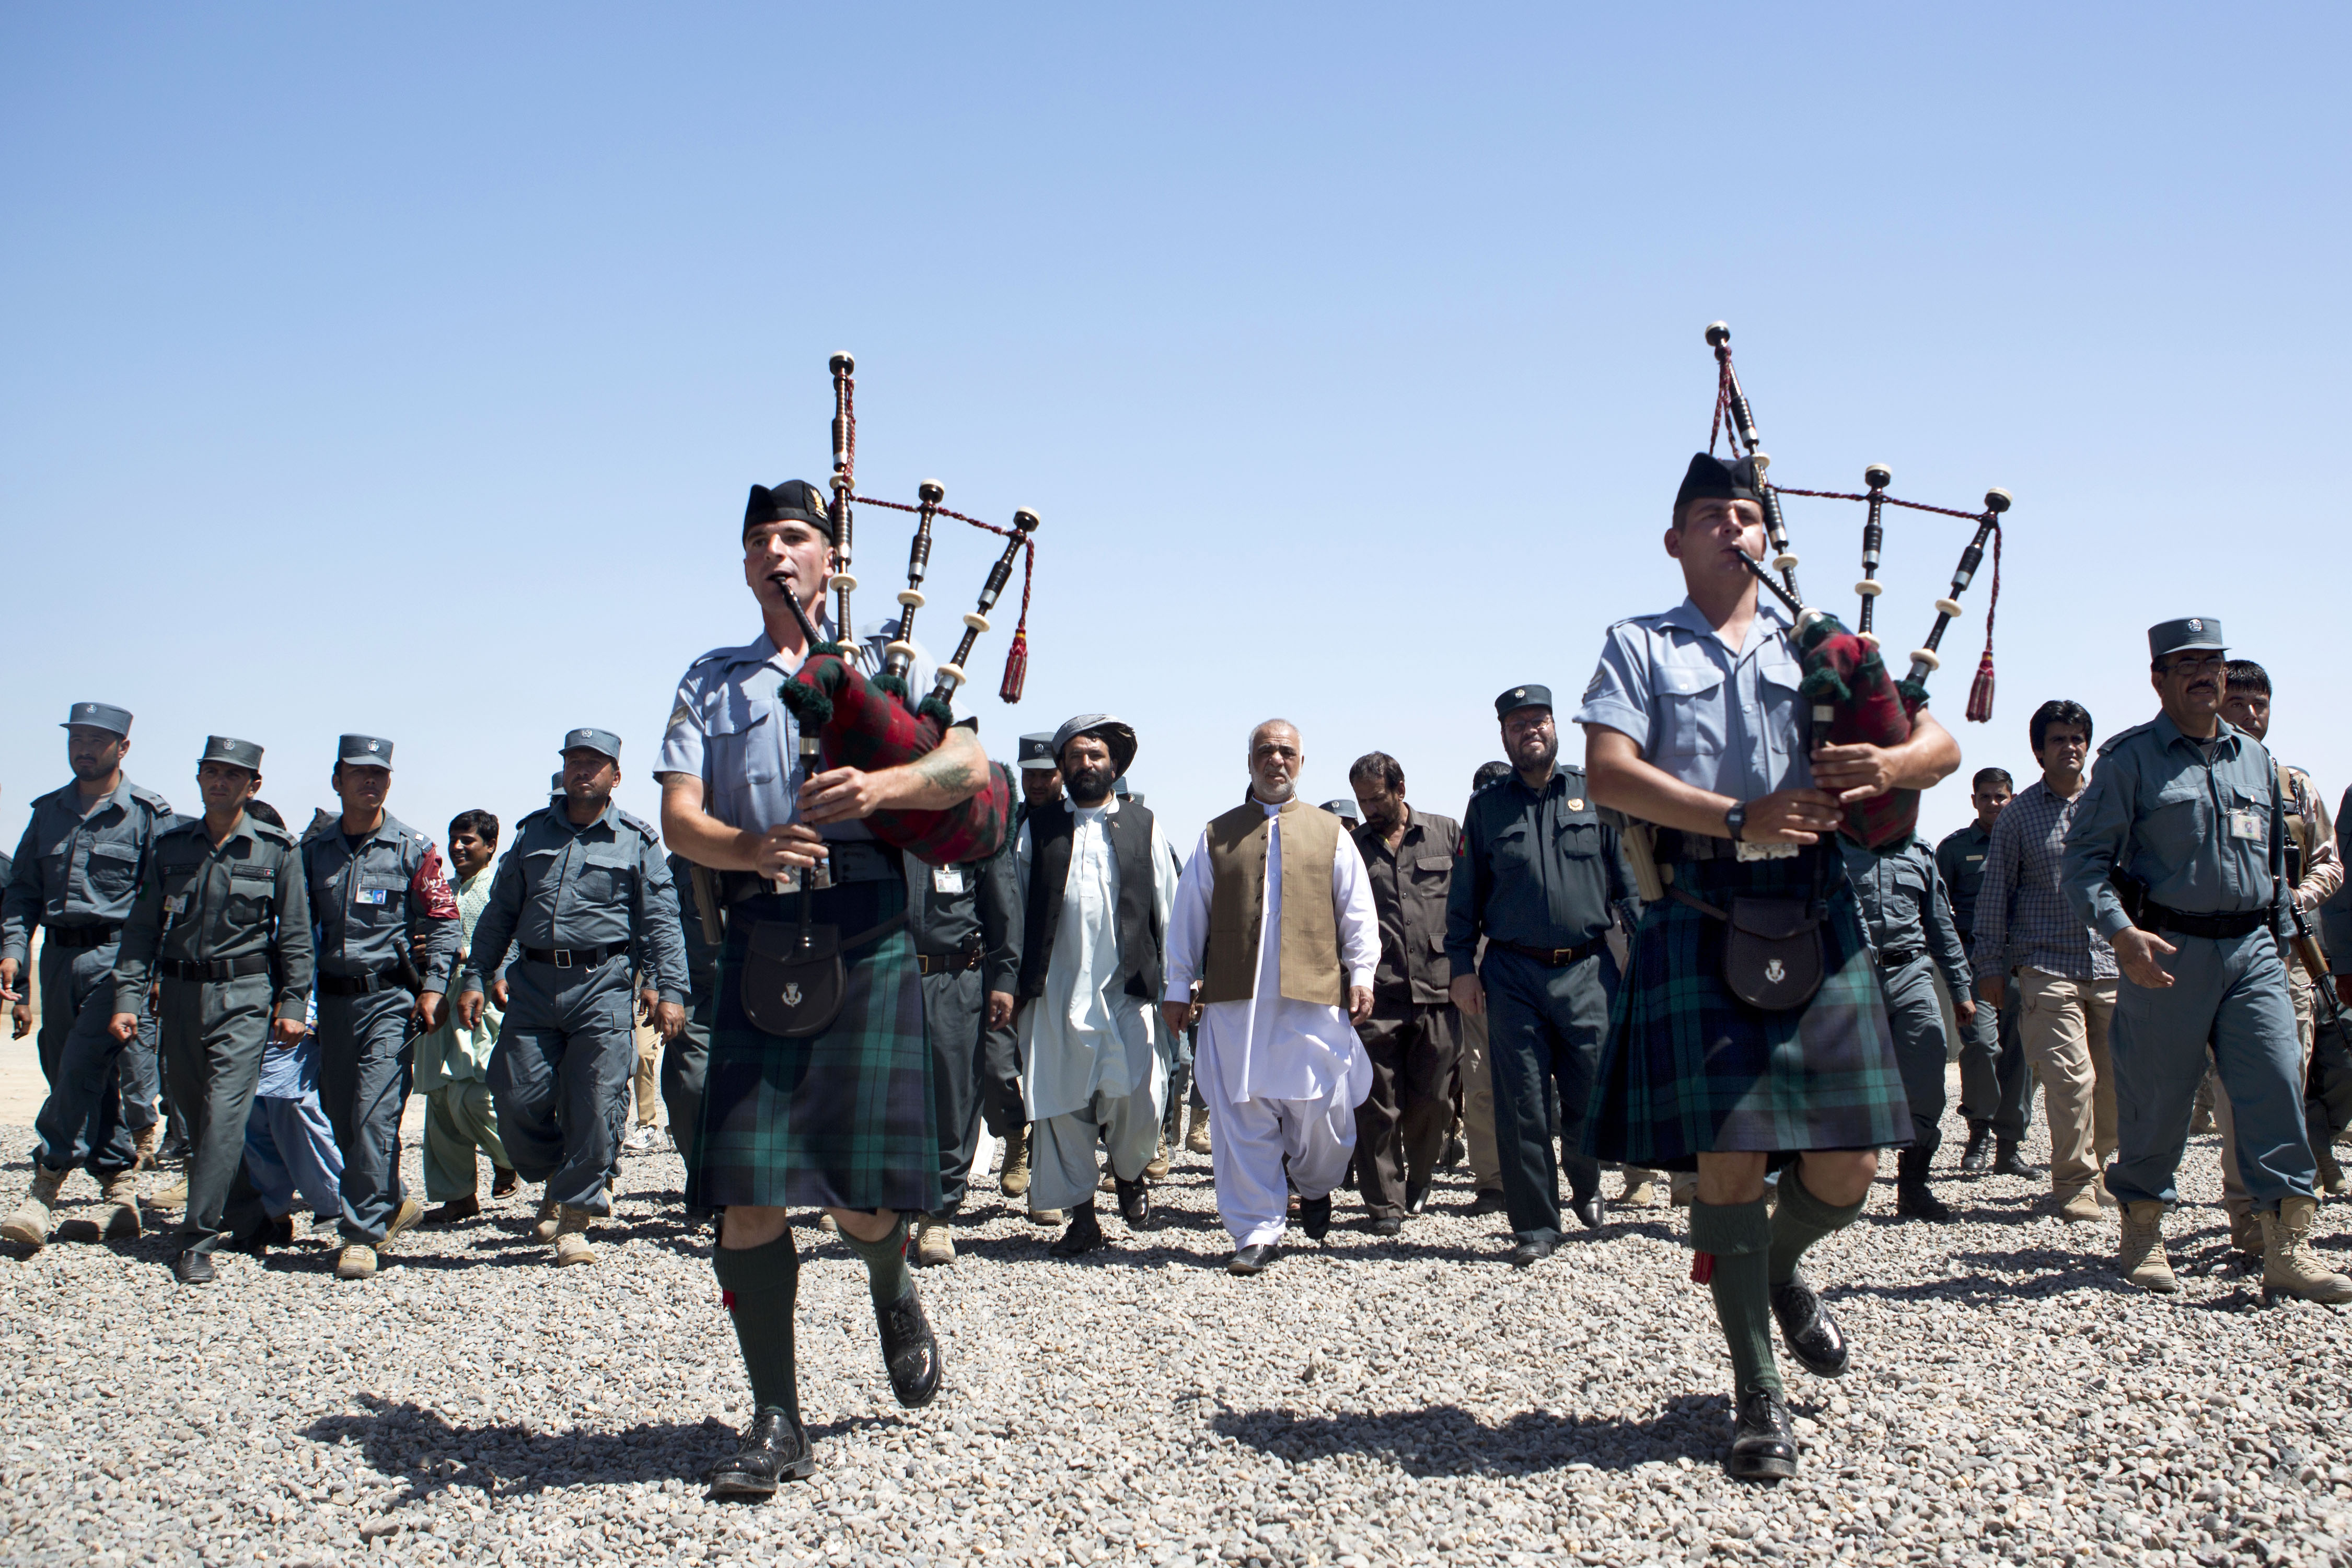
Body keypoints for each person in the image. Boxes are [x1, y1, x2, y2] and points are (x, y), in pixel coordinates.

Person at [1578, 452, 1957, 1482]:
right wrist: (1737, 814)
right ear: (1676, 539)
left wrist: (1886, 765)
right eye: (1712, 515)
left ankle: (1779, 1268)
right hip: (1698, 909)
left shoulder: (1826, 640)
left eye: (1748, 514)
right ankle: (1757, 1397)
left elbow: (1939, 747)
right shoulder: (1639, 645)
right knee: (1730, 1164)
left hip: (1816, 908)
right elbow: (1606, 770)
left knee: (1851, 1165)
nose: (1734, 528)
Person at [659, 477, 993, 1493]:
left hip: (870, 926)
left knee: (860, 1203)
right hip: (764, 928)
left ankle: (891, 1286)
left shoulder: (887, 664)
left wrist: (886, 785)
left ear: (831, 558)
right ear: (747, 562)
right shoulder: (712, 680)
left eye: (796, 535)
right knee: (749, 1191)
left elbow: (972, 763)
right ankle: (777, 1418)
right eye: (762, 538)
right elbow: (679, 816)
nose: (777, 551)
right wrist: (747, 843)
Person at [2059, 618, 2348, 1303]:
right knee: (2156, 1101)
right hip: (2166, 953)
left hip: (2254, 952)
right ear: (2157, 678)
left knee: (2278, 1088)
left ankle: (2286, 1247)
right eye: (2185, 664)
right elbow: (2085, 866)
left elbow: (2280, 862)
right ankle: (2145, 1232)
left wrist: (2285, 934)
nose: (2203, 675)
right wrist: (2121, 936)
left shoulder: (2257, 761)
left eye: (2212, 663)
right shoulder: (2128, 762)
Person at [456, 729, 687, 1266]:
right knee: (514, 1092)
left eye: (594, 763)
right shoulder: (532, 833)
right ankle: (560, 1171)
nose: (581, 770)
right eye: (573, 761)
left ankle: (576, 1214)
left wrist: (670, 988)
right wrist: (475, 974)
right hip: (533, 985)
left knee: (596, 1099)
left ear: (615, 776)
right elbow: (498, 915)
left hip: (604, 984)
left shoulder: (636, 839)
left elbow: (661, 922)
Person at [1162, 718, 1378, 1275]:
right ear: (1250, 761)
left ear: (1301, 763)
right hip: (1236, 1003)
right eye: (1266, 751)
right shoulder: (1217, 833)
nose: (1276, 760)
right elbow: (1189, 916)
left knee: (1322, 1114)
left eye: (1286, 752)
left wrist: (1361, 975)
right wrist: (1176, 986)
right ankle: (1256, 1229)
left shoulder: (1332, 832)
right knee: (1241, 1112)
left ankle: (1314, 1182)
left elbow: (1357, 913)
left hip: (1312, 1000)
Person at [100, 737, 311, 1284]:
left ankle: (197, 1238)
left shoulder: (275, 850)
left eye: (232, 775)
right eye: (211, 772)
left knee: (224, 1116)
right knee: (197, 1119)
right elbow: (141, 931)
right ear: (198, 777)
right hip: (179, 999)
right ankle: (252, 1216)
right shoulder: (171, 847)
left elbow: (293, 937)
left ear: (253, 786)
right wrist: (128, 998)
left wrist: (293, 1003)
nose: (219, 782)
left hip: (244, 1000)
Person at [1447, 690, 1643, 1265]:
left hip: (1587, 968)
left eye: (1538, 720)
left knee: (1589, 1090)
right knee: (1522, 1102)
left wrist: (1646, 950)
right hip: (1511, 972)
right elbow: (1464, 899)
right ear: (1504, 737)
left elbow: (1627, 883)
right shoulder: (1486, 809)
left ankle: (1585, 1184)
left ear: (1555, 727)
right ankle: (1535, 1223)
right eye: (1516, 724)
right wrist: (1462, 968)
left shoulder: (1594, 793)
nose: (1529, 730)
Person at [2, 703, 176, 1249]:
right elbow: (23, 893)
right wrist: (12, 952)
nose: (84, 748)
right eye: (76, 737)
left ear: (123, 747)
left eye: (97, 740)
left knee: (80, 1063)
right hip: (56, 957)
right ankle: (119, 1189)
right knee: (72, 1069)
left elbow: (168, 900)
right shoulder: (47, 811)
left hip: (120, 957)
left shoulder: (147, 813)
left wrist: (152, 974)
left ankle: (45, 1183)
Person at [1007, 715, 1178, 1256]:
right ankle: (1082, 1216)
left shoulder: (1143, 824)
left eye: (1096, 756)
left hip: (1126, 989)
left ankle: (1129, 1174)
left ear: (1114, 765)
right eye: (1076, 756)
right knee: (1061, 1107)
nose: (1086, 765)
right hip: (1055, 991)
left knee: (1142, 1097)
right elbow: (1013, 905)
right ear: (1062, 766)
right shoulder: (1036, 829)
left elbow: (1168, 906)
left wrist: (1178, 984)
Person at [304, 734, 460, 1282]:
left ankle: (362, 1232)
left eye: (380, 775)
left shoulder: (413, 849)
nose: (371, 782)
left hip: (389, 1001)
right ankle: (391, 1199)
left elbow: (443, 922)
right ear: (337, 780)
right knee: (342, 1114)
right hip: (331, 1003)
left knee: (375, 1114)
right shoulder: (314, 850)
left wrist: (433, 987)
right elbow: (296, 928)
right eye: (359, 773)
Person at [1969, 701, 2118, 1224]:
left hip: (2110, 967)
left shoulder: (2111, 807)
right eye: (2058, 739)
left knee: (2113, 1082)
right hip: (2045, 966)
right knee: (2069, 1078)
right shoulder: (2017, 817)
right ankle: (2073, 1181)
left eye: (2078, 738)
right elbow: (1994, 895)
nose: (2070, 747)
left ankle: (2099, 1169)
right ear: (2038, 750)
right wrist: (1987, 965)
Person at [2211, 660, 2345, 1215]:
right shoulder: (2193, 780)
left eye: (2258, 704)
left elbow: (2328, 864)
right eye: (2237, 703)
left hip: (2285, 952)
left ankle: (2285, 1209)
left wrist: (2298, 896)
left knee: (2289, 1076)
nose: (2249, 714)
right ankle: (2247, 1208)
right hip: (2213, 953)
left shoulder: (2296, 786)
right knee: (2228, 1095)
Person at [1342, 751, 1461, 1237]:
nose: (1370, 808)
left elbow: (1470, 901)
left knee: (1433, 1100)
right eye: (1361, 800)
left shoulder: (1447, 833)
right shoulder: (1349, 848)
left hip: (1438, 986)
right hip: (1379, 992)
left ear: (1400, 788)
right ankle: (1384, 1203)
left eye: (1377, 798)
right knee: (1376, 1102)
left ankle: (1420, 1173)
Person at [908, 764, 1020, 1266]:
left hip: (956, 979)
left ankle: (938, 1216)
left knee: (953, 1098)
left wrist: (1004, 981)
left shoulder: (977, 829)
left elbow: (1004, 910)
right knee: (882, 1094)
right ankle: (880, 1206)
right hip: (888, 976)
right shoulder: (882, 823)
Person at [1840, 833, 1976, 1221]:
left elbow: (1940, 924)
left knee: (1926, 1082)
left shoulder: (1919, 853)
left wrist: (1959, 988)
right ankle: (1839, 1190)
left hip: (1912, 974)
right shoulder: (1832, 850)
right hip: (1851, 976)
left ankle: (1913, 1185)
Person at [415, 809, 518, 1224]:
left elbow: (508, 939)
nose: (458, 847)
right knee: (439, 1099)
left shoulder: (502, 889)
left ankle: (515, 1158)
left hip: (481, 1001)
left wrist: (471, 957)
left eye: (468, 840)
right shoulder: (440, 890)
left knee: (476, 1094)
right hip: (438, 1000)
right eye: (453, 839)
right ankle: (457, 1195)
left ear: (491, 846)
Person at [1936, 768, 2034, 1177]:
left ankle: (2009, 1147)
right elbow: (1938, 910)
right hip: (1975, 962)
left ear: (2013, 800)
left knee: (2021, 1053)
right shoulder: (1956, 849)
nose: (1994, 803)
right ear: (1973, 800)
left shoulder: (2030, 844)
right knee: (1979, 1046)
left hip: (2022, 962)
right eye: (1987, 797)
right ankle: (1979, 1130)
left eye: (2002, 797)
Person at [993, 733, 1061, 1215]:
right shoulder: (1004, 824)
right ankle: (1015, 1134)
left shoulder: (1076, 824)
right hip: (1002, 967)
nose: (1036, 782)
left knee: (1049, 1074)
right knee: (996, 1068)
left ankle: (1048, 1179)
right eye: (1029, 773)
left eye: (1045, 773)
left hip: (1055, 967)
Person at [1451, 759, 1514, 1215]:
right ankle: (1491, 1180)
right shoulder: (1464, 840)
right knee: (1479, 1083)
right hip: (1479, 975)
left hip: (1531, 971)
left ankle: (1574, 1175)